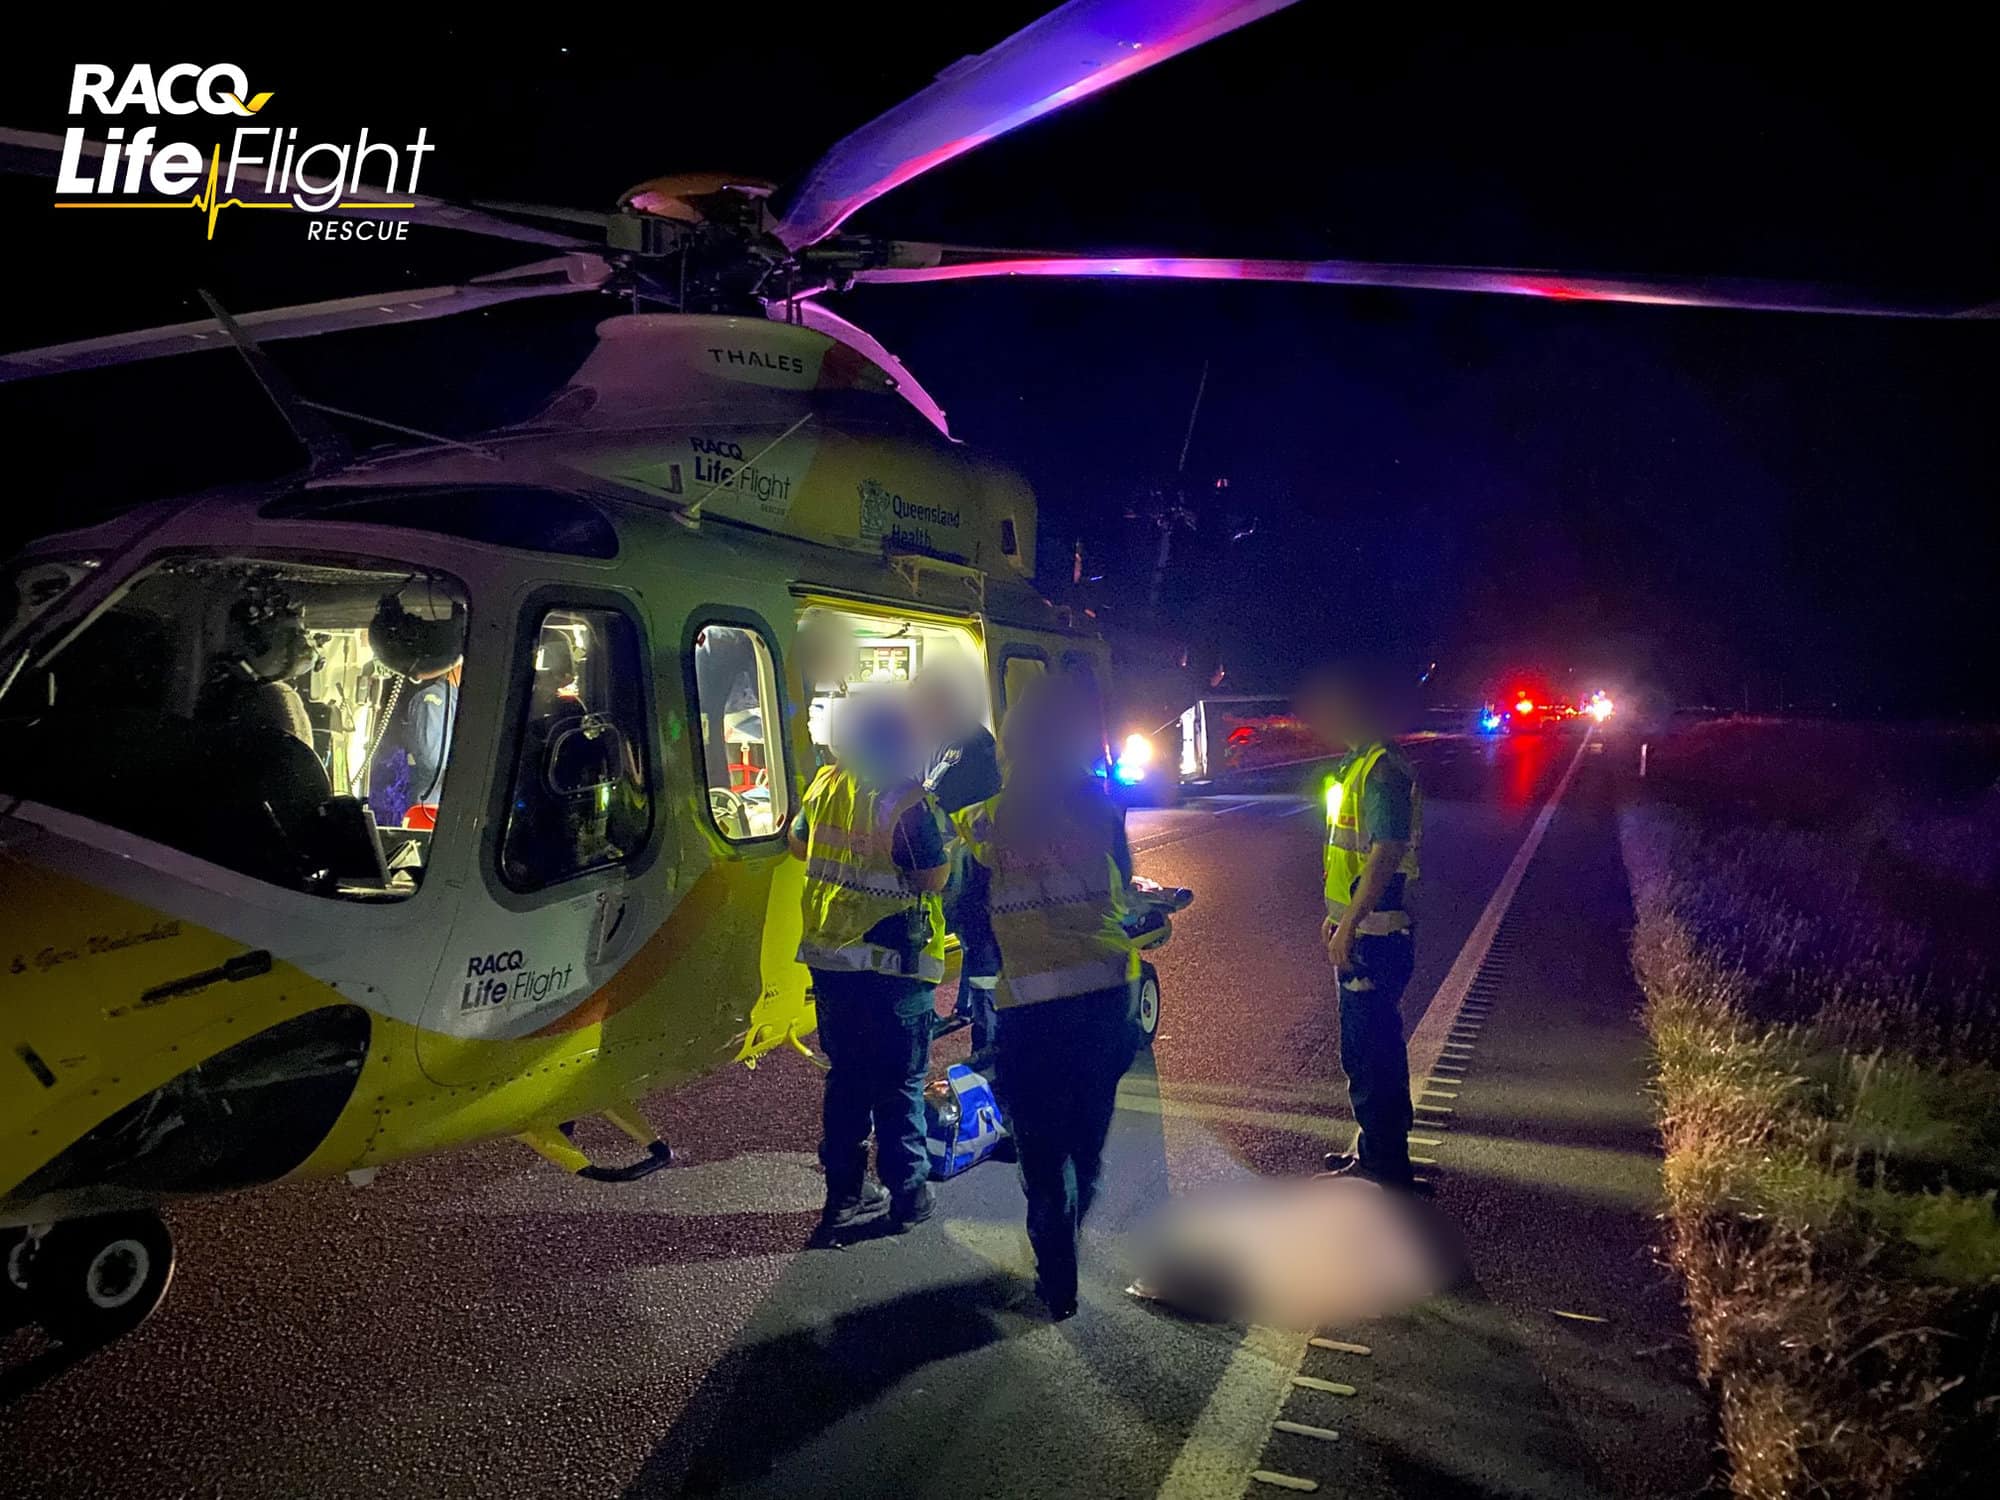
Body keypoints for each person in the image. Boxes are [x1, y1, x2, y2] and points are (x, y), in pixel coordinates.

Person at [952, 676, 1139, 1320]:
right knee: (1087, 1140)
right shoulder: (1100, 804)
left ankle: (1056, 1280)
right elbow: (1125, 878)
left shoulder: (987, 819)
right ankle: (1074, 1221)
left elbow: (966, 912)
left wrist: (996, 951)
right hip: (1105, 995)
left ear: (1011, 747)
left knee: (1040, 1147)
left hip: (1030, 1006)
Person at [791, 688, 951, 1238]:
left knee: (849, 1079)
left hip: (832, 959)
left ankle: (844, 1195)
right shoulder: (904, 799)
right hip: (893, 965)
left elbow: (797, 845)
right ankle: (908, 1194)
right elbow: (931, 876)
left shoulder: (824, 783)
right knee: (901, 1081)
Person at [1298, 661, 1423, 1189]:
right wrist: (1337, 921)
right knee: (1366, 1049)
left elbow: (1386, 852)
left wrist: (1348, 925)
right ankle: (1377, 1155)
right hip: (1362, 931)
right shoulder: (1358, 765)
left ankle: (1384, 1167)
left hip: (1376, 936)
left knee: (1372, 1052)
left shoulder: (1381, 771)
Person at [912, 659, 1004, 1052]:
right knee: (971, 947)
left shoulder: (968, 743)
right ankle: (974, 1019)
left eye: (922, 705)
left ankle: (990, 1046)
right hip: (962, 868)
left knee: (985, 958)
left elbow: (933, 798)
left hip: (980, 870)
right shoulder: (943, 741)